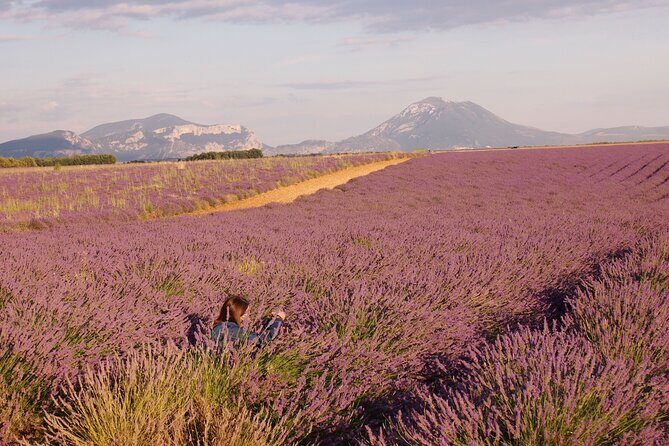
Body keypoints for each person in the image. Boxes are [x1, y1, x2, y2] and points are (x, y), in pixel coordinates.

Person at [211, 295, 285, 348]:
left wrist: (268, 321)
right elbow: (265, 339)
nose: (248, 315)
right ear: (239, 314)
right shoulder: (233, 330)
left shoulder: (219, 326)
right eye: (246, 313)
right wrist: (278, 319)